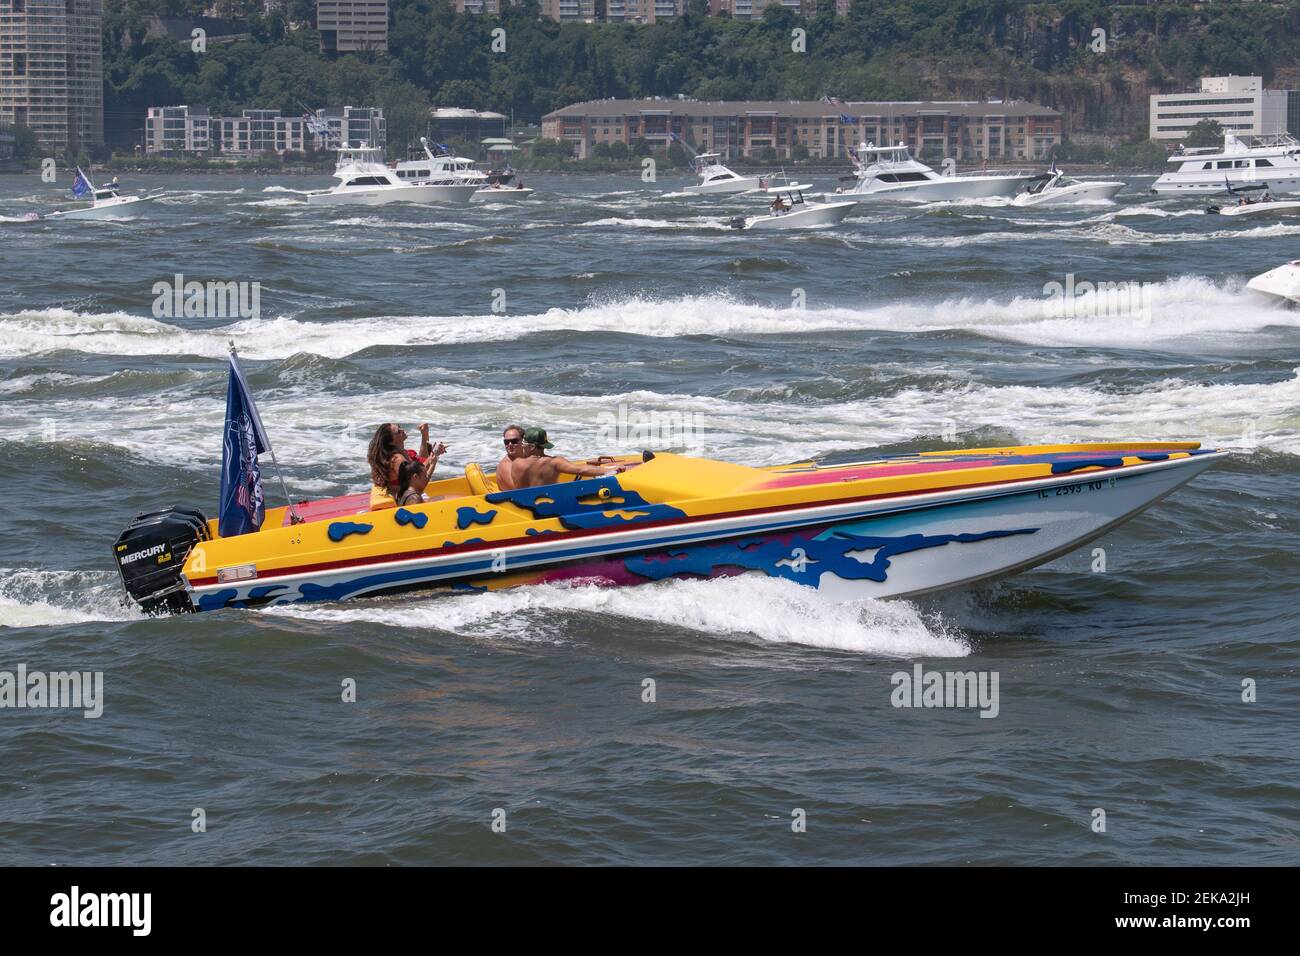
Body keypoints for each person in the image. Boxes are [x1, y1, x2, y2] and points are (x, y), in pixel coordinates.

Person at [510, 427, 617, 489]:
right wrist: (611, 470)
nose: (522, 445)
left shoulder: (516, 463)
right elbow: (581, 470)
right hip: (548, 505)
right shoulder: (553, 463)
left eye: (524, 443)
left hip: (525, 506)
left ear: (532, 446)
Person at [368, 422, 445, 497]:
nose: (402, 429)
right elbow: (418, 485)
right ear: (391, 442)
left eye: (399, 426)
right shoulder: (397, 459)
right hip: (406, 501)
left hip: (407, 497)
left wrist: (425, 435)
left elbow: (421, 465)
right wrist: (434, 457)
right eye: (398, 431)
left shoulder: (401, 453)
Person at [495, 423, 527, 491]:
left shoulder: (523, 459)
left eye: (514, 441)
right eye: (506, 442)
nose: (510, 445)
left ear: (523, 441)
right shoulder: (506, 465)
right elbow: (518, 491)